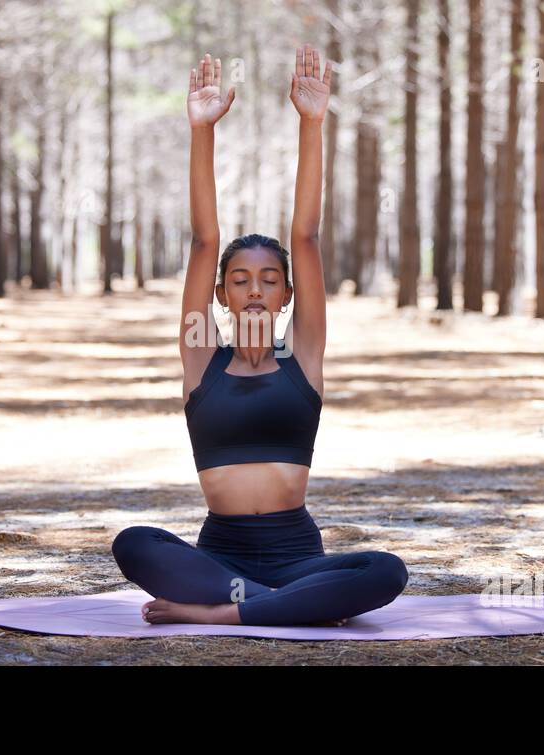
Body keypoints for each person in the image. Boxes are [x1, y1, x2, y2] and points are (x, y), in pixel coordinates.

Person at [110, 45, 408, 627]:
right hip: (220, 557)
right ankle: (272, 607)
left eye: (269, 280)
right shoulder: (202, 357)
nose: (253, 290)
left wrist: (312, 122)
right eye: (240, 280)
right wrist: (201, 130)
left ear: (286, 296)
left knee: (386, 570)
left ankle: (227, 614)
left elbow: (307, 238)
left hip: (297, 556)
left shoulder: (304, 357)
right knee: (134, 542)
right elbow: (203, 240)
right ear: (221, 293)